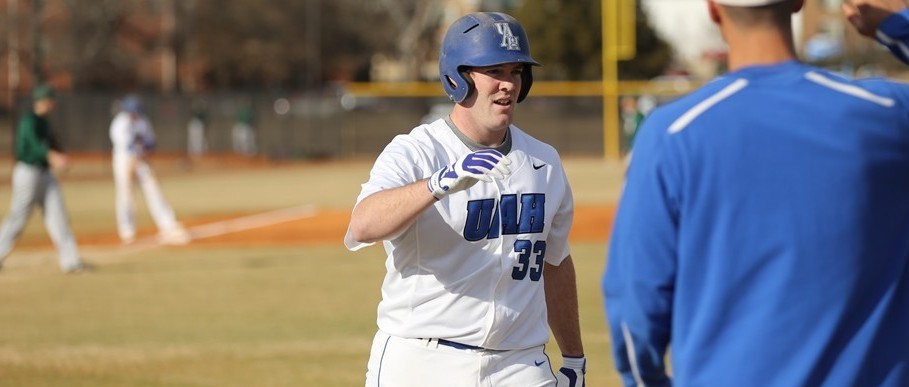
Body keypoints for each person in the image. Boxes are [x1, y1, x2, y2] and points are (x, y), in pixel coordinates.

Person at [603, 0, 909, 386]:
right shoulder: (886, 115)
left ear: (714, 9)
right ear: (799, 3)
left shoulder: (672, 134)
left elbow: (635, 308)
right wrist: (897, 25)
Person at [345, 12, 586, 387]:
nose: (508, 84)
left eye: (516, 72)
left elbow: (554, 263)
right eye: (496, 71)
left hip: (520, 363)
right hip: (424, 359)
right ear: (457, 78)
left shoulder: (544, 162)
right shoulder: (416, 152)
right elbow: (363, 225)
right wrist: (436, 185)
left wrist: (574, 357)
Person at [0, 85, 88, 273]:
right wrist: (52, 156)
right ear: (42, 101)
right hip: (27, 172)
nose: (53, 104)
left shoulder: (45, 122)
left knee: (58, 216)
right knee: (19, 216)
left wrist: (60, 154)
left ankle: (71, 262)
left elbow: (53, 142)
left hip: (45, 173)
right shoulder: (29, 121)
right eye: (50, 100)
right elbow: (33, 145)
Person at [109, 95, 190, 246]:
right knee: (126, 193)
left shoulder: (142, 121)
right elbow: (128, 148)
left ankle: (167, 223)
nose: (135, 113)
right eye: (132, 111)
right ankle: (127, 230)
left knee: (153, 187)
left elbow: (151, 143)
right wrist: (131, 168)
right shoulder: (119, 124)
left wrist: (143, 158)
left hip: (140, 159)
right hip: (123, 160)